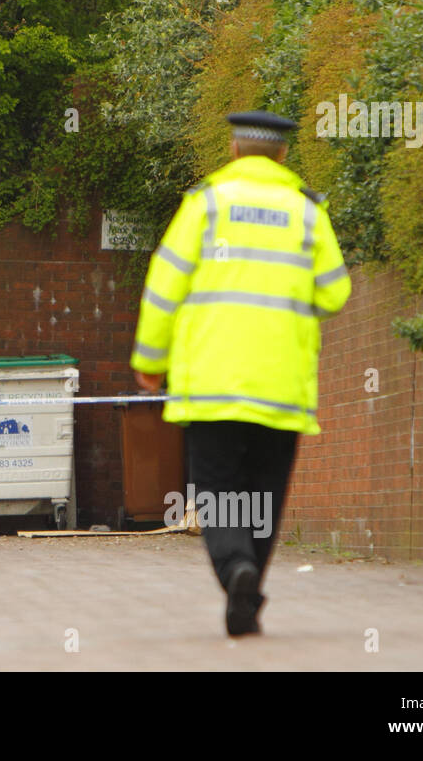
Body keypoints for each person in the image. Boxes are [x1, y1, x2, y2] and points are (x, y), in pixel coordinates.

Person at [130, 110, 351, 636]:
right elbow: (335, 291)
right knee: (266, 491)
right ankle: (248, 596)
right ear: (283, 154)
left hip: (211, 382)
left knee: (221, 487)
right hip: (280, 385)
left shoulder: (204, 204)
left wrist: (150, 362)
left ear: (232, 149)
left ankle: (236, 569)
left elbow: (165, 286)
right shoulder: (306, 211)